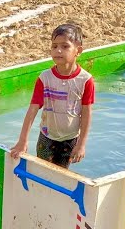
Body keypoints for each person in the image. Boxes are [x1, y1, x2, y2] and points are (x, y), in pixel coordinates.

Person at [8, 24, 95, 168]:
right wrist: (22, 140)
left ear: (78, 51)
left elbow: (86, 113)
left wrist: (81, 144)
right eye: (54, 46)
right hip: (47, 136)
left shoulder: (85, 80)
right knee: (41, 171)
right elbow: (32, 110)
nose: (58, 50)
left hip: (70, 138)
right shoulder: (45, 78)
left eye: (65, 46)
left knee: (61, 174)